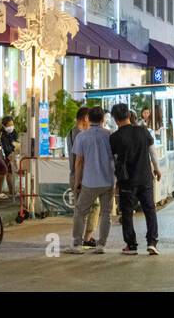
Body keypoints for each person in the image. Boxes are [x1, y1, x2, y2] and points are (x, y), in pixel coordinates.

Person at [109, 103, 161, 255]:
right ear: (128, 114)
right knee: (150, 210)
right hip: (145, 177)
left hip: (127, 181)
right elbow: (152, 151)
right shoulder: (142, 131)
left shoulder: (114, 138)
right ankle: (152, 242)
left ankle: (131, 245)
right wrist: (157, 168)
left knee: (127, 212)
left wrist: (114, 182)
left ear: (115, 119)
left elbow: (113, 161)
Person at [66, 105, 115, 254]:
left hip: (89, 182)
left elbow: (79, 161)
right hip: (107, 181)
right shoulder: (110, 135)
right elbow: (115, 158)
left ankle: (77, 244)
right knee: (106, 213)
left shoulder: (82, 136)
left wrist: (77, 182)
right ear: (102, 119)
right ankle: (101, 245)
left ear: (89, 119)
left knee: (80, 212)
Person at [67, 107, 98, 247]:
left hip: (75, 175)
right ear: (85, 118)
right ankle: (86, 237)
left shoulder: (71, 133)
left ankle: (80, 238)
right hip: (84, 176)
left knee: (80, 209)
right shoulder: (83, 135)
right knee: (93, 206)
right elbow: (81, 160)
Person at [0, 115, 19, 199]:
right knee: (2, 172)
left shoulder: (13, 132)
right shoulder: (0, 134)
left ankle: (11, 191)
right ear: (4, 125)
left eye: (12, 124)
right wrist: (9, 155)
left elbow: (14, 143)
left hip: (8, 155)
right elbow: (1, 148)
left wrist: (13, 153)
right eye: (9, 125)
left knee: (9, 173)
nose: (11, 127)